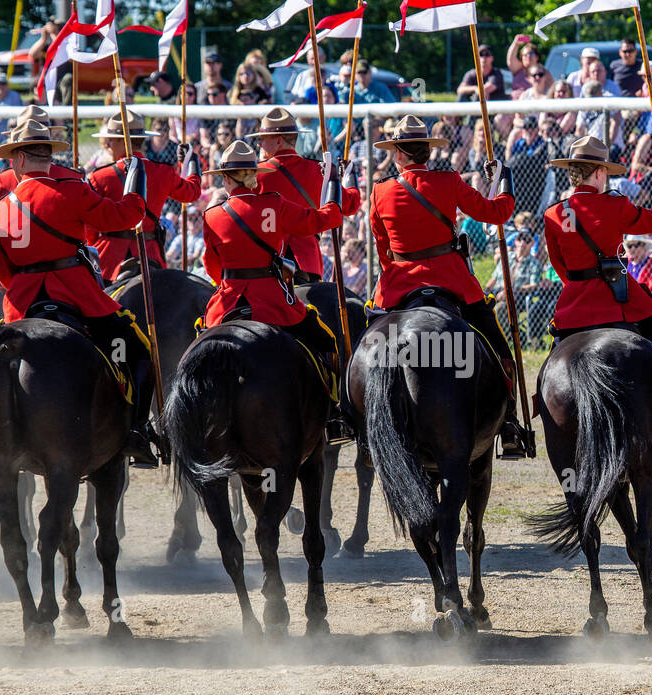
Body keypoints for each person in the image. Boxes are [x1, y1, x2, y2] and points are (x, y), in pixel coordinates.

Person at [0, 120, 163, 467]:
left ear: (17, 161)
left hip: (21, 304)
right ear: (48, 157)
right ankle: (137, 429)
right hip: (78, 296)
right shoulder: (74, 190)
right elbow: (125, 217)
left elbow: (1, 270)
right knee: (137, 346)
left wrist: (23, 287)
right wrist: (136, 187)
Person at [367, 115, 529, 458]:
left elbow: (383, 247)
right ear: (427, 152)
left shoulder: (381, 190)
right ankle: (510, 423)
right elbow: (496, 213)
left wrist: (395, 273)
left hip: (399, 284)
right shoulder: (449, 181)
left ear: (398, 154)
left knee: (367, 351)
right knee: (500, 349)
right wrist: (504, 179)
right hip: (452, 282)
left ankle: (362, 427)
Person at [540, 136, 652, 463]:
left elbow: (559, 265)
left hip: (573, 307)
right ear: (600, 173)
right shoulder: (616, 205)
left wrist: (580, 284)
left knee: (550, 371)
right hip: (621, 301)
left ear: (573, 172)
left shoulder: (554, 214)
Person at [198, 140, 352, 437]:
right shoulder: (275, 204)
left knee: (198, 346)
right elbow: (323, 219)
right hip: (274, 303)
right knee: (325, 340)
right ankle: (333, 414)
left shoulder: (212, 216)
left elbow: (212, 268)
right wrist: (332, 186)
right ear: (253, 174)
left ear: (226, 178)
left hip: (227, 305)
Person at [251, 106, 362, 283]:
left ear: (279, 141)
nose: (259, 144)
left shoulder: (255, 174)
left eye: (263, 139)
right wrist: (349, 177)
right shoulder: (319, 171)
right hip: (306, 262)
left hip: (264, 262)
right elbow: (350, 205)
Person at [86, 112, 201, 281]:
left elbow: (90, 227)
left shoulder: (100, 177)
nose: (108, 145)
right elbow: (192, 193)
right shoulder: (163, 171)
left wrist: (94, 245)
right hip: (150, 253)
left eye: (111, 140)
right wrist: (192, 163)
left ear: (121, 141)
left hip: (110, 259)